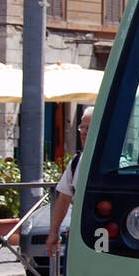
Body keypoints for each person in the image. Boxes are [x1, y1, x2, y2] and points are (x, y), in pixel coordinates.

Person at [45, 107, 91, 258]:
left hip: (103, 236)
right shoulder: (77, 161)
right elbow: (64, 197)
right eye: (82, 127)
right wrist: (53, 232)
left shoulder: (117, 161)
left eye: (89, 128)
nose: (83, 132)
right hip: (77, 236)